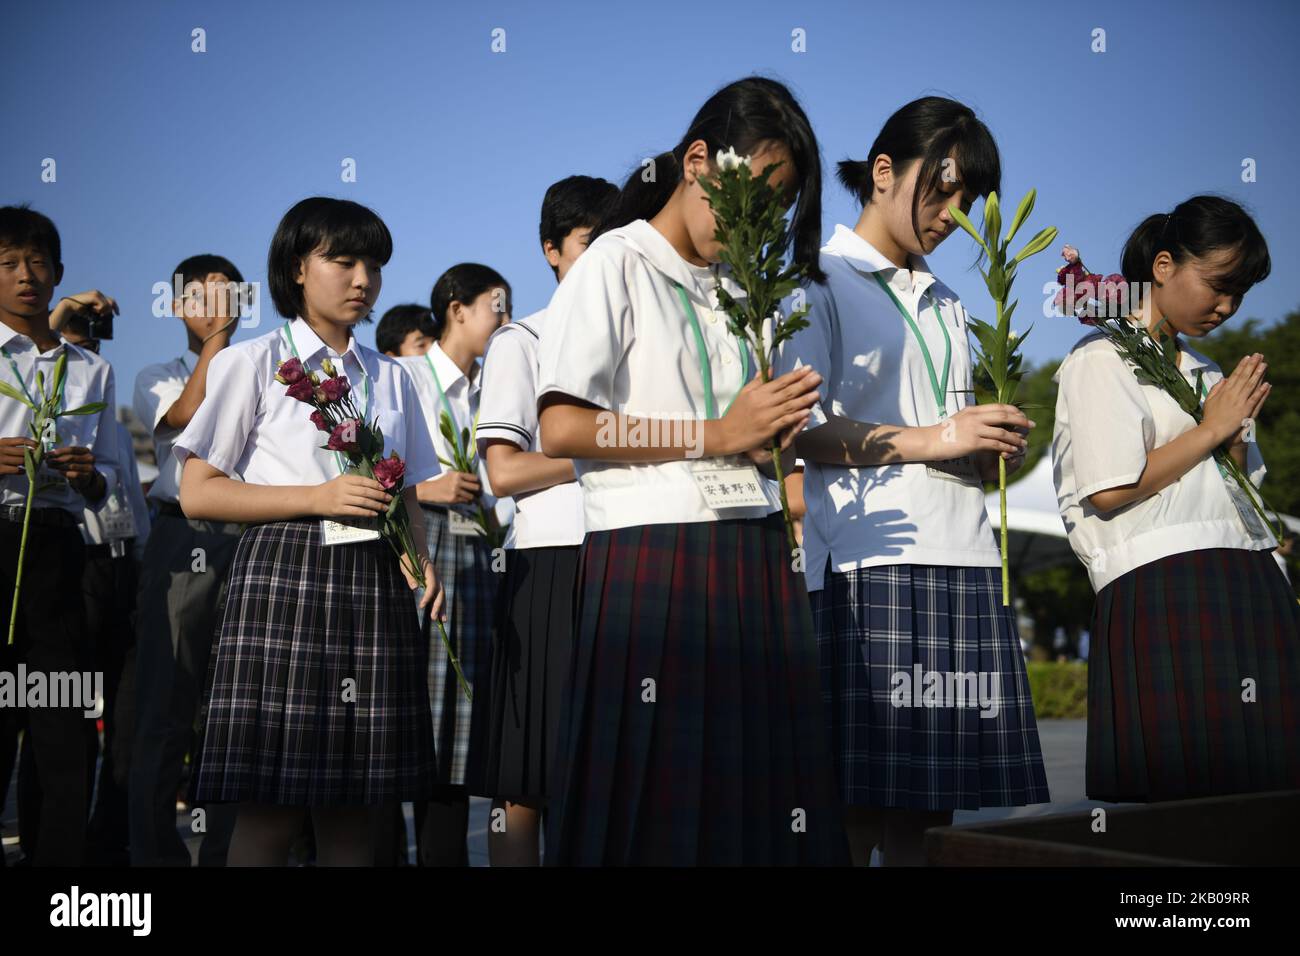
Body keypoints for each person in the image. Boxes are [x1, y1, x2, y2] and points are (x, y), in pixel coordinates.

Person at [536, 76, 849, 865]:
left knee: (754, 804)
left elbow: (752, 433)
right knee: (653, 803)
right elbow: (560, 426)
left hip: (751, 548)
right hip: (651, 553)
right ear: (697, 159)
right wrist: (719, 431)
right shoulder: (614, 261)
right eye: (749, 197)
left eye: (774, 210)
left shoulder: (749, 288)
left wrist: (771, 432)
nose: (756, 223)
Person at [778, 97, 1050, 866]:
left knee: (932, 820)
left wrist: (987, 449)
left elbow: (950, 437)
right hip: (871, 563)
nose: (953, 213)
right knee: (857, 809)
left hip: (965, 558)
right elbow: (800, 432)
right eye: (942, 189)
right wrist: (940, 438)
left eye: (968, 199)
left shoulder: (955, 303)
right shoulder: (819, 281)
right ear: (884, 172)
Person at [173, 197, 445, 865]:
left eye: (374, 265)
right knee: (270, 808)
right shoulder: (251, 362)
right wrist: (317, 497)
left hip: (375, 584)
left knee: (357, 810)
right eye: (343, 261)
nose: (363, 280)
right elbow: (196, 491)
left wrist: (421, 559)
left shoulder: (394, 377)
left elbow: (405, 487)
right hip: (284, 577)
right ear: (297, 267)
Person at [1051, 195, 1300, 801]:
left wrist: (1235, 433)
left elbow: (1242, 494)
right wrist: (1212, 428)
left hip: (1250, 580)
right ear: (1163, 266)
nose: (1226, 306)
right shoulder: (1100, 358)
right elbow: (1110, 489)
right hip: (1164, 586)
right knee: (1179, 799)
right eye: (1218, 285)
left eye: (1239, 293)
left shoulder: (1210, 370)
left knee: (1261, 797)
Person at [476, 174, 617, 865]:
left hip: (625, 560)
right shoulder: (520, 340)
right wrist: (605, 452)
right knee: (526, 781)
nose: (606, 256)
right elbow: (502, 472)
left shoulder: (630, 347)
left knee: (610, 774)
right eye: (590, 242)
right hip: (550, 563)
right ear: (551, 251)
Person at [0, 204, 122, 866]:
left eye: (38, 263)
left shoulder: (90, 370)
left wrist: (88, 480)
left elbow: (108, 481)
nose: (26, 276)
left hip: (57, 553)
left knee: (64, 735)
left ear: (59, 274)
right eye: (10, 263)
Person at [129, 254, 244, 866]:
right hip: (184, 535)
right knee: (165, 705)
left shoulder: (269, 369)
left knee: (231, 714)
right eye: (202, 298)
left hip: (249, 537)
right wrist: (218, 345)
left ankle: (227, 854)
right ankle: (153, 858)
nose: (217, 308)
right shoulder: (157, 373)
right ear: (177, 307)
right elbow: (185, 417)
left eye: (229, 297)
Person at [395, 264, 508, 865]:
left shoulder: (496, 387)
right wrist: (428, 488)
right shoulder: (405, 375)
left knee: (457, 735)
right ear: (457, 309)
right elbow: (367, 465)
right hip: (421, 547)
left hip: (480, 552)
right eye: (497, 306)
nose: (505, 320)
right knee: (408, 722)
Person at [56, 310, 151, 867]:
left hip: (126, 565)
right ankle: (59, 843)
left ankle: (108, 837)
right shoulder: (52, 400)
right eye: (75, 335)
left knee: (128, 714)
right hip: (77, 565)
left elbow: (127, 490)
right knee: (63, 716)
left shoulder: (106, 402)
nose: (87, 348)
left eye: (93, 337)